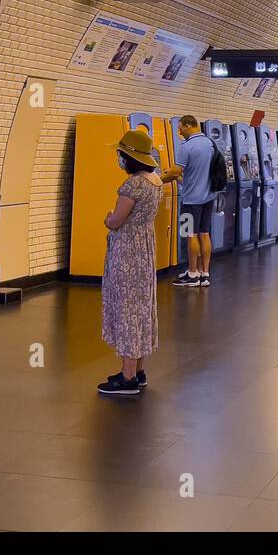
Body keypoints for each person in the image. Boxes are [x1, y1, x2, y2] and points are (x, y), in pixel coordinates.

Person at [98, 129, 162, 396]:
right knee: (142, 306)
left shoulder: (133, 185)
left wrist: (108, 218)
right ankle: (137, 370)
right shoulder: (155, 180)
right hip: (145, 248)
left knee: (126, 307)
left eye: (121, 154)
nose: (119, 158)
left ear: (130, 157)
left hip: (127, 251)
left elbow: (116, 221)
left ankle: (127, 379)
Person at [165, 115, 216, 288]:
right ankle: (204, 273)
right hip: (209, 198)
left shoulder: (186, 147)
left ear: (189, 125)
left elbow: (174, 172)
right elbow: (191, 177)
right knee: (204, 233)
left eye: (181, 128)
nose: (179, 132)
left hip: (190, 201)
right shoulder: (210, 144)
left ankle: (192, 274)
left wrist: (157, 179)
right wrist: (180, 179)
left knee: (190, 235)